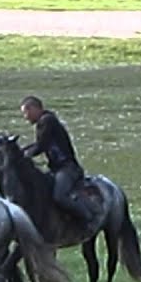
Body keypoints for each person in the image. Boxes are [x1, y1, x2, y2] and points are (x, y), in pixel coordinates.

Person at [20, 95, 94, 225]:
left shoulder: (47, 121)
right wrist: (21, 151)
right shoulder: (45, 121)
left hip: (67, 168)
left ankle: (87, 216)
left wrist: (23, 155)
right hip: (56, 168)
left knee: (59, 196)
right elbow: (39, 143)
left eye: (26, 112)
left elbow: (41, 145)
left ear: (35, 108)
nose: (26, 117)